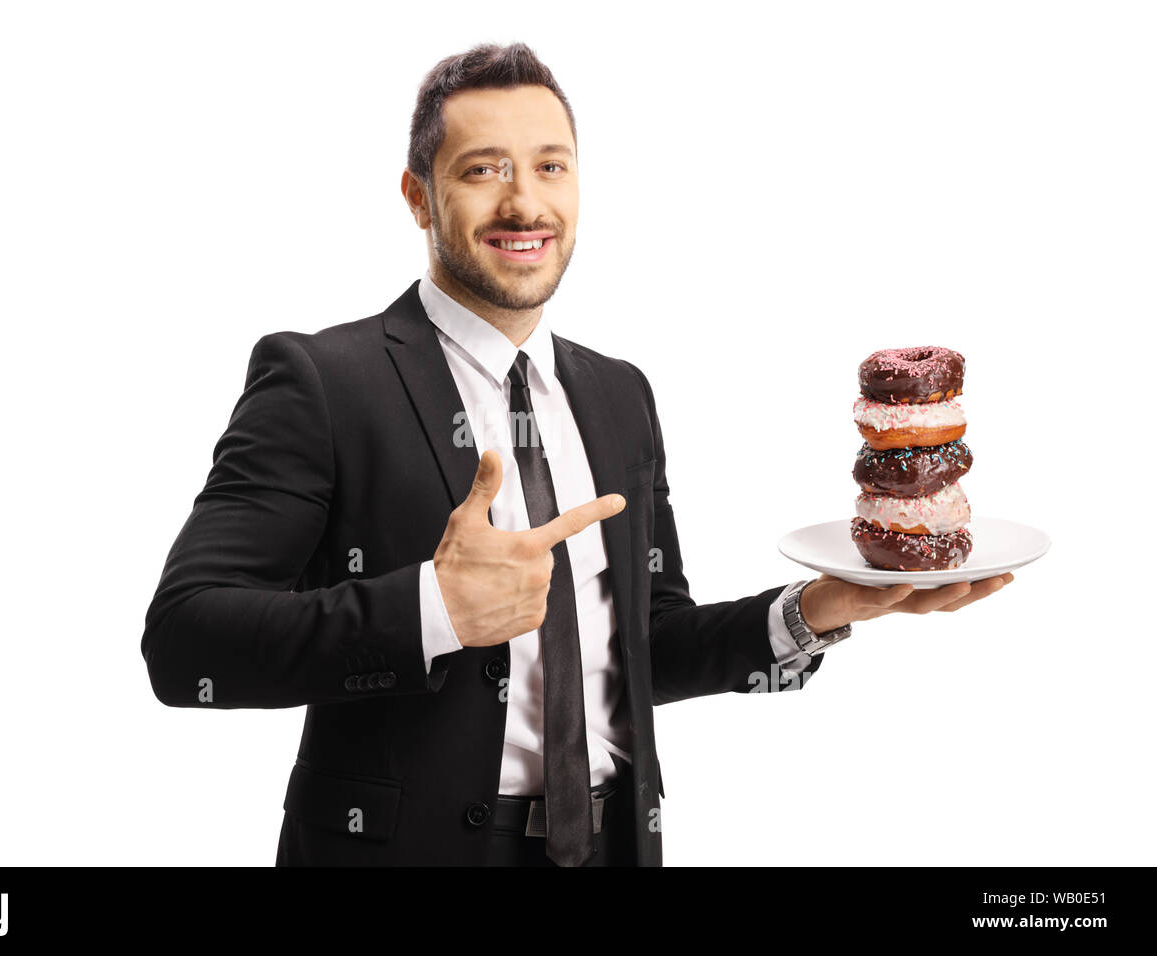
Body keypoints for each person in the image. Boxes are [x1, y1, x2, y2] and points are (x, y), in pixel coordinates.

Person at [140, 41, 1012, 867]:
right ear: (416, 196)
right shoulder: (323, 381)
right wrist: (433, 608)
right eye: (483, 170)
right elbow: (186, 642)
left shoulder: (618, 393)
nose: (525, 202)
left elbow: (646, 646)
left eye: (550, 166)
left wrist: (817, 608)